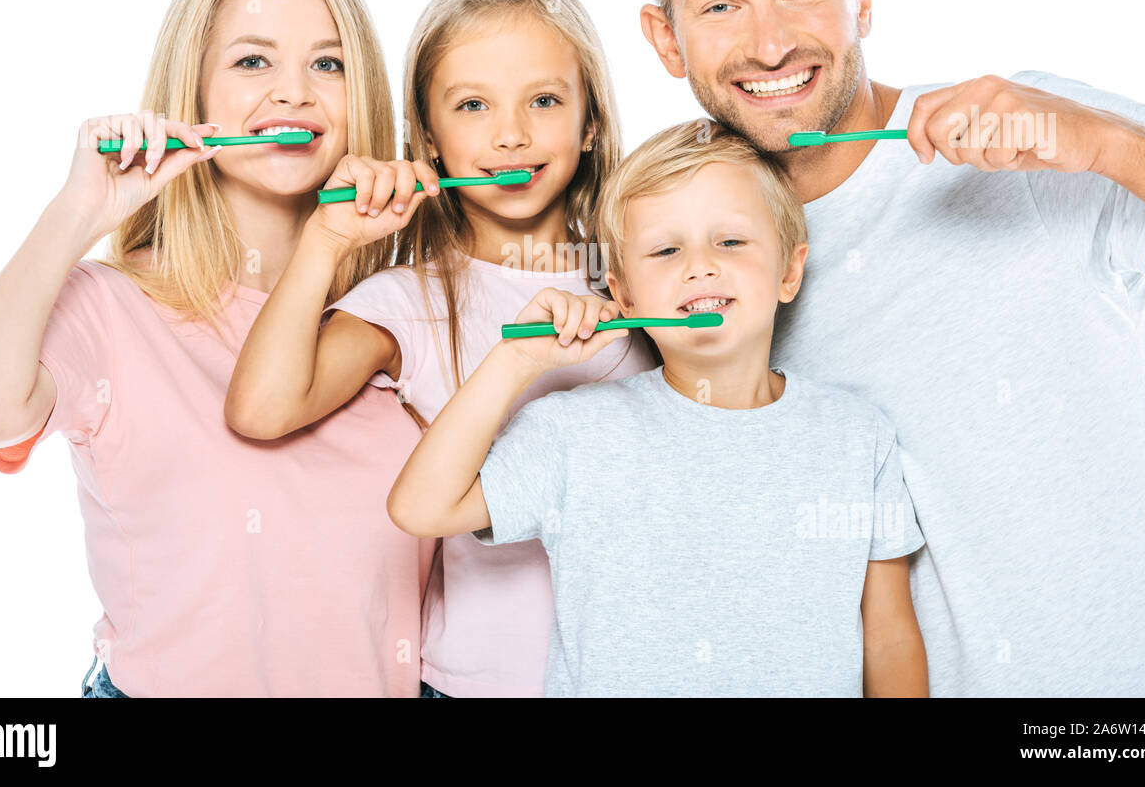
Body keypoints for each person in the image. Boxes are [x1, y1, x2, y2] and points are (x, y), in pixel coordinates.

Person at [633, 0, 1145, 694]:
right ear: (665, 38)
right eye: (719, 6)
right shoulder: (686, 266)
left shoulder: (1032, 135)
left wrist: (1101, 140)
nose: (771, 44)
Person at [0, 0, 433, 697]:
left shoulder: (402, 312)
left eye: (327, 64)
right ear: (192, 95)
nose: (293, 93)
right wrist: (78, 211)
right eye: (253, 62)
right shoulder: (112, 308)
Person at [226, 0, 658, 697]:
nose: (513, 136)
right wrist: (326, 239)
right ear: (426, 138)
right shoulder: (409, 301)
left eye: (545, 100)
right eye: (472, 107)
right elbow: (262, 408)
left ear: (592, 122)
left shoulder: (648, 273)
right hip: (480, 683)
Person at [386, 121, 929, 696]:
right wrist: (514, 361)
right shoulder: (576, 432)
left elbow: (888, 635)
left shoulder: (856, 436)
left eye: (731, 242)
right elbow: (421, 508)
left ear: (790, 271)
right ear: (624, 296)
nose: (700, 267)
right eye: (666, 250)